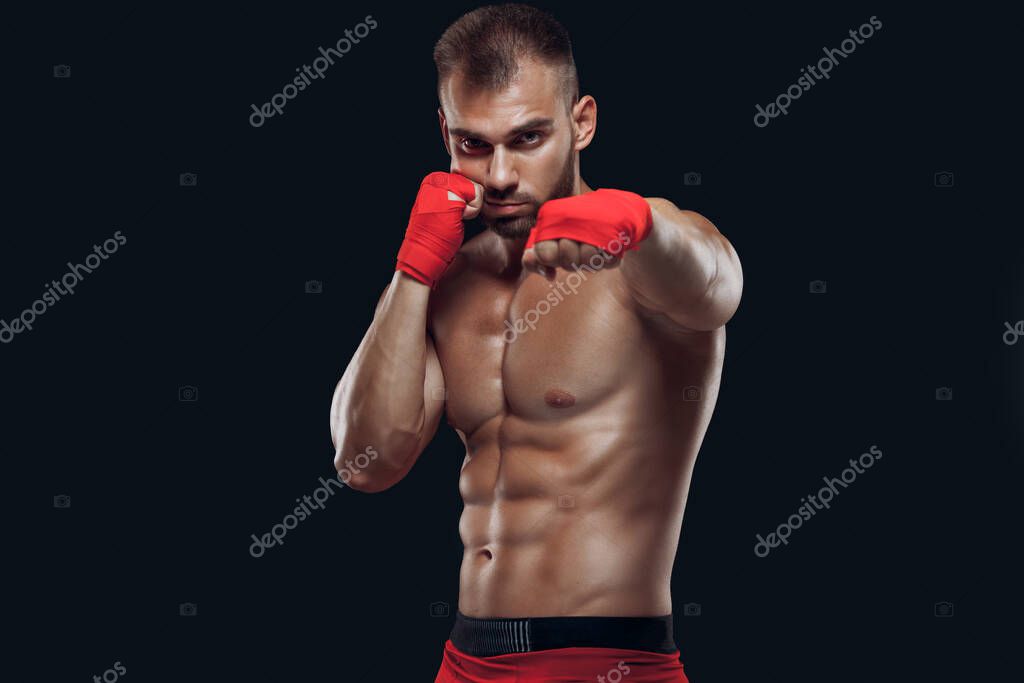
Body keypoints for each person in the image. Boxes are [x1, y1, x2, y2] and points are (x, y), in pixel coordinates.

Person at [329, 4, 743, 681]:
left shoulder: (643, 253)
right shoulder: (448, 278)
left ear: (581, 123)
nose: (497, 176)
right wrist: (411, 271)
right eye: (472, 144)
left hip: (612, 659)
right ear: (444, 132)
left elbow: (718, 285)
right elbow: (366, 462)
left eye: (527, 139)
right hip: (465, 660)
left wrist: (639, 223)